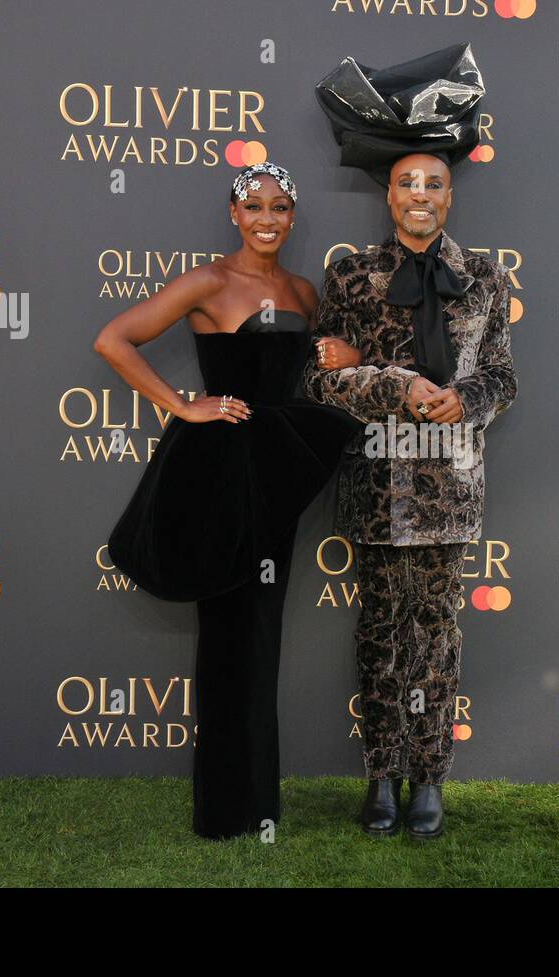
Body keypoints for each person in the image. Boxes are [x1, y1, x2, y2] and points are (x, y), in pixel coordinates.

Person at [94, 162, 361, 840]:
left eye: (279, 206)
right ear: (234, 214)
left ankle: (259, 806)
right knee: (224, 638)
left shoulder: (302, 289)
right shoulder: (209, 281)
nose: (266, 217)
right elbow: (113, 339)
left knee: (262, 635)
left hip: (273, 476)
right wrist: (184, 405)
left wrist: (344, 355)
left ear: (293, 216)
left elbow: (317, 366)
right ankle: (221, 812)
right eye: (253, 206)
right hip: (216, 473)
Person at [305, 45, 517, 839]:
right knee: (378, 636)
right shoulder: (354, 277)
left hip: (449, 491)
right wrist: (396, 384)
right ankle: (381, 777)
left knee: (436, 640)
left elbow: (502, 377)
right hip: (376, 488)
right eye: (407, 183)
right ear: (388, 194)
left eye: (433, 184)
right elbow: (323, 380)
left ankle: (430, 779)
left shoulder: (486, 279)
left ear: (449, 194)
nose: (420, 196)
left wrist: (461, 399)